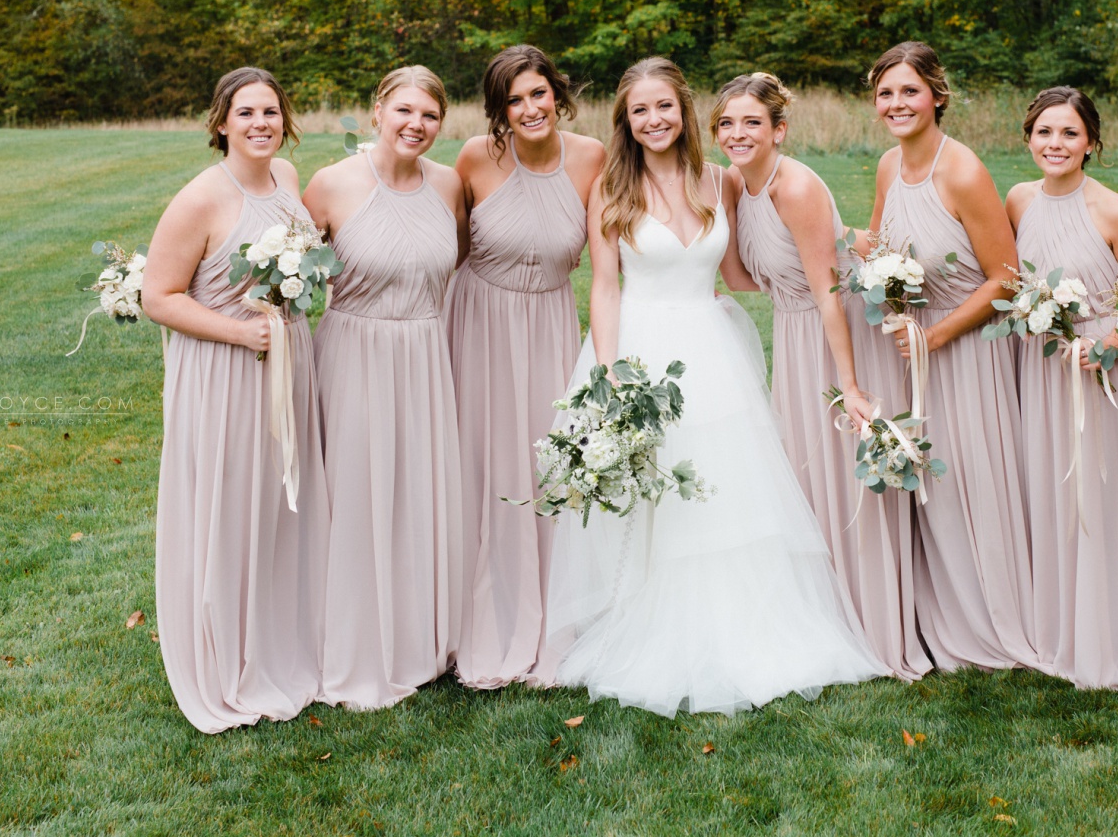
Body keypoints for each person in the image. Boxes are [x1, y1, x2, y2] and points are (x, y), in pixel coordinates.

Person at [545, 57, 885, 716]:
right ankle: (644, 621)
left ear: (683, 111)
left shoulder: (716, 181)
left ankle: (734, 624)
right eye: (640, 110)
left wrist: (839, 256)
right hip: (637, 352)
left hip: (710, 348)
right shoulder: (612, 189)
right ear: (627, 120)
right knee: (655, 493)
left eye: (665, 107)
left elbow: (739, 271)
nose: (654, 120)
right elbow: (606, 286)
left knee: (722, 492)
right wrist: (611, 374)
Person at [716, 73, 929, 680]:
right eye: (727, 124)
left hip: (832, 335)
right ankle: (824, 610)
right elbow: (736, 278)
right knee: (807, 474)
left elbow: (829, 293)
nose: (738, 134)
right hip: (792, 330)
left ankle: (871, 621)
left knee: (839, 471)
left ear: (779, 131)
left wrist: (852, 387)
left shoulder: (797, 186)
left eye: (753, 123)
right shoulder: (737, 182)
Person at [142, 67, 328, 732]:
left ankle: (278, 638)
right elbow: (157, 298)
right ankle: (225, 659)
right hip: (224, 371)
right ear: (220, 123)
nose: (261, 124)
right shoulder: (199, 200)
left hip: (285, 361)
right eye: (246, 113)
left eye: (271, 112)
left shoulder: (287, 178)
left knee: (278, 506)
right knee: (229, 505)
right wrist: (243, 334)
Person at [857, 42, 1037, 672]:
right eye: (885, 92)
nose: (896, 103)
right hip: (912, 352)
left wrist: (933, 338)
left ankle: (995, 618)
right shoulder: (886, 166)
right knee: (926, 483)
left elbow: (1006, 278)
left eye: (909, 90)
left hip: (964, 353)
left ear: (936, 94)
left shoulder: (960, 171)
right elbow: (876, 248)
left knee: (973, 482)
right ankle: (940, 614)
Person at [304, 66, 468, 709]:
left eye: (429, 116)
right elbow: (283, 272)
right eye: (403, 111)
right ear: (376, 111)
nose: (415, 126)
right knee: (355, 494)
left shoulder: (450, 185)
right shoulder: (331, 185)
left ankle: (419, 636)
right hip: (353, 352)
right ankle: (349, 641)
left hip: (425, 354)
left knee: (418, 492)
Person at [448, 46, 605, 689]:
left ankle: (549, 611)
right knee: (480, 462)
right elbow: (447, 252)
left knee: (547, 468)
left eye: (538, 93)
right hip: (478, 322)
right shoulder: (473, 160)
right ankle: (468, 615)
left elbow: (607, 265)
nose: (529, 108)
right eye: (514, 100)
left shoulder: (593, 157)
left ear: (558, 95)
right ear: (499, 112)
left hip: (550, 327)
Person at [1005, 87, 1118, 689]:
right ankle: (1054, 622)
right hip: (1040, 366)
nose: (1055, 144)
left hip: (1099, 372)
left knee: (1100, 492)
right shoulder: (1016, 201)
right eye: (1044, 132)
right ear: (1028, 139)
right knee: (1049, 488)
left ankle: (1109, 633)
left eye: (1069, 133)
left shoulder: (1115, 211)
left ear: (1091, 142)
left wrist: (1110, 345)